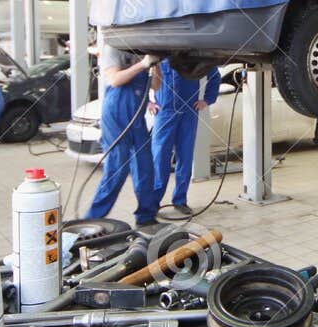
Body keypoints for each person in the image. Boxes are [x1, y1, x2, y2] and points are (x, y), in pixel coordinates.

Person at [86, 39, 161, 227]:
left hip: (137, 115)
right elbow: (115, 79)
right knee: (118, 167)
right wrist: (143, 64)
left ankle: (146, 216)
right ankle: (92, 219)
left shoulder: (145, 48)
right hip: (116, 114)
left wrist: (155, 64)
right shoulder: (113, 47)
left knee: (145, 167)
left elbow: (156, 86)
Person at [149, 61, 221, 215]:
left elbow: (214, 75)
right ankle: (153, 202)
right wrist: (148, 103)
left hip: (189, 112)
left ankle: (180, 200)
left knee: (185, 157)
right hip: (164, 112)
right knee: (160, 158)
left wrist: (207, 99)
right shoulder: (159, 55)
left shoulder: (193, 56)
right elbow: (140, 78)